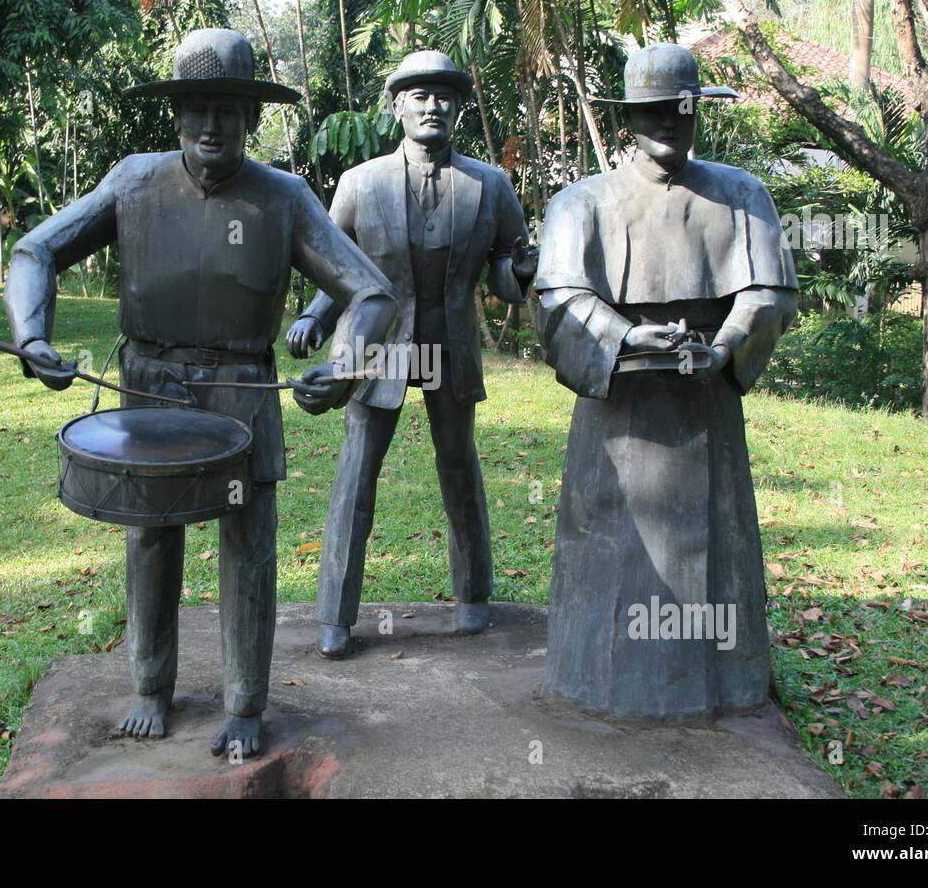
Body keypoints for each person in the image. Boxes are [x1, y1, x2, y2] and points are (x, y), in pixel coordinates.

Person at [3, 28, 396, 757]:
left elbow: (370, 291)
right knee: (150, 537)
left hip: (242, 392)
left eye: (225, 110)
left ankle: (245, 704)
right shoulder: (134, 182)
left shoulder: (284, 199)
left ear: (250, 118)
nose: (210, 126)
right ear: (175, 116)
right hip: (148, 391)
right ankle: (150, 687)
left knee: (248, 546)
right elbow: (36, 249)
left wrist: (344, 368)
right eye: (196, 109)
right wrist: (32, 337)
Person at [533, 43, 798, 720]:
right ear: (629, 120)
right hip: (617, 407)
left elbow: (767, 290)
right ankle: (595, 680)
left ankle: (726, 687)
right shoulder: (581, 203)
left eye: (682, 110)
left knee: (715, 545)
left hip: (706, 403)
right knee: (609, 548)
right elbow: (560, 296)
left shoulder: (740, 193)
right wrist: (624, 336)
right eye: (655, 112)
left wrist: (727, 344)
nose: (671, 123)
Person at [287, 51, 536, 659]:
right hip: (377, 351)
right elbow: (333, 268)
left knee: (459, 469)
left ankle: (474, 595)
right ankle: (335, 615)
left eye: (443, 96)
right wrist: (315, 318)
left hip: (448, 348)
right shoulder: (360, 183)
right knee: (356, 475)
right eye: (418, 95)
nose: (432, 106)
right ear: (397, 106)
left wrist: (520, 271)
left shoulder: (490, 186)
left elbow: (505, 273)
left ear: (458, 107)